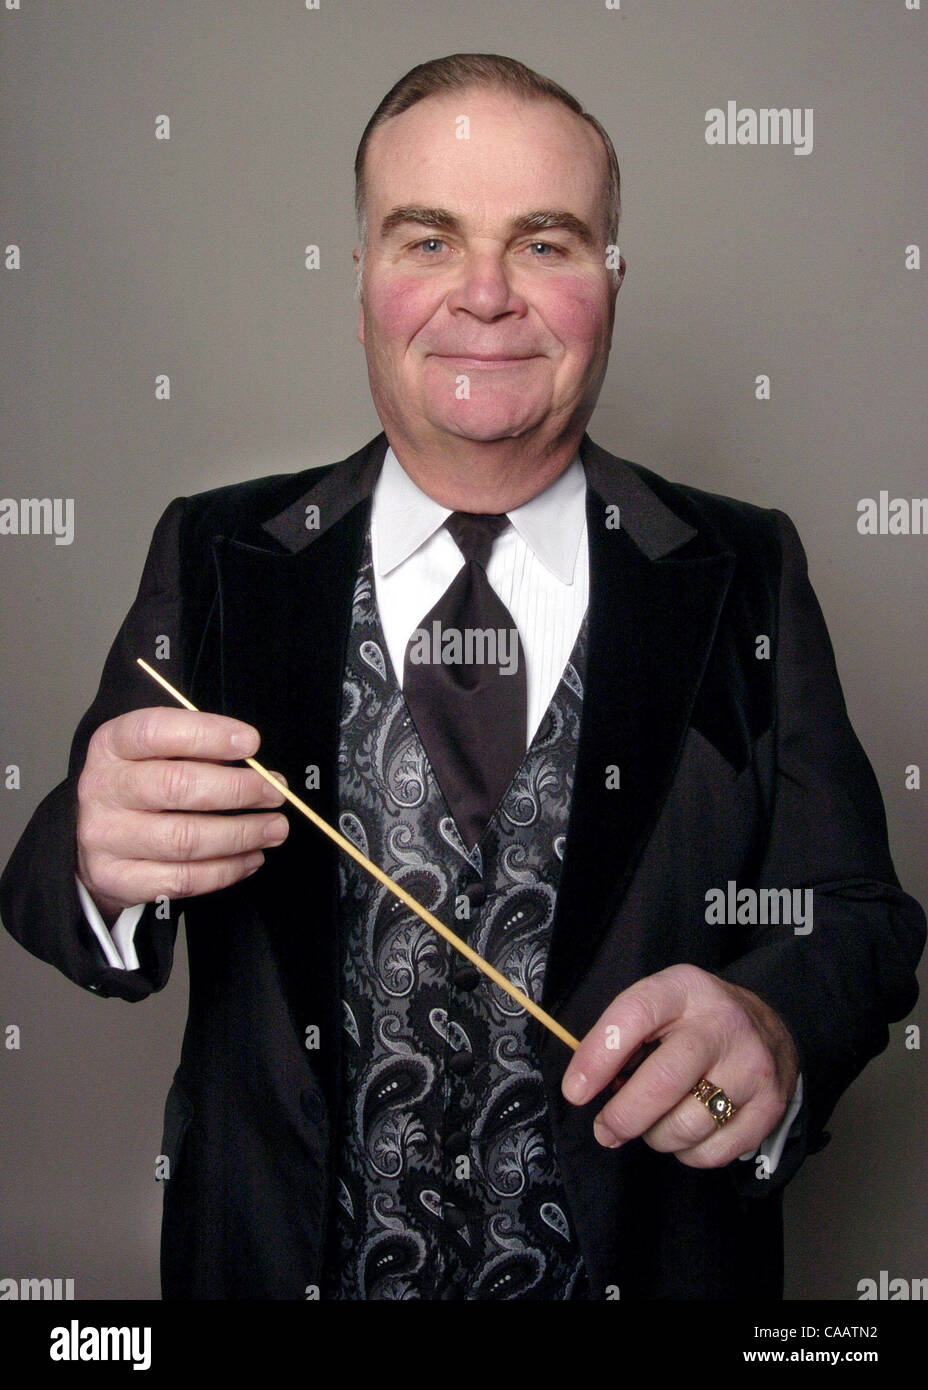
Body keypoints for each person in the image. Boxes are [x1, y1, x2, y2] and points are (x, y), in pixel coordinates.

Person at [1, 53, 923, 1301]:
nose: (483, 297)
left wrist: (772, 1025)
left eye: (545, 243)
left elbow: (857, 914)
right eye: (427, 239)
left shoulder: (744, 566)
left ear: (610, 274)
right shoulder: (219, 554)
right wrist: (91, 856)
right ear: (365, 273)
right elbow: (52, 897)